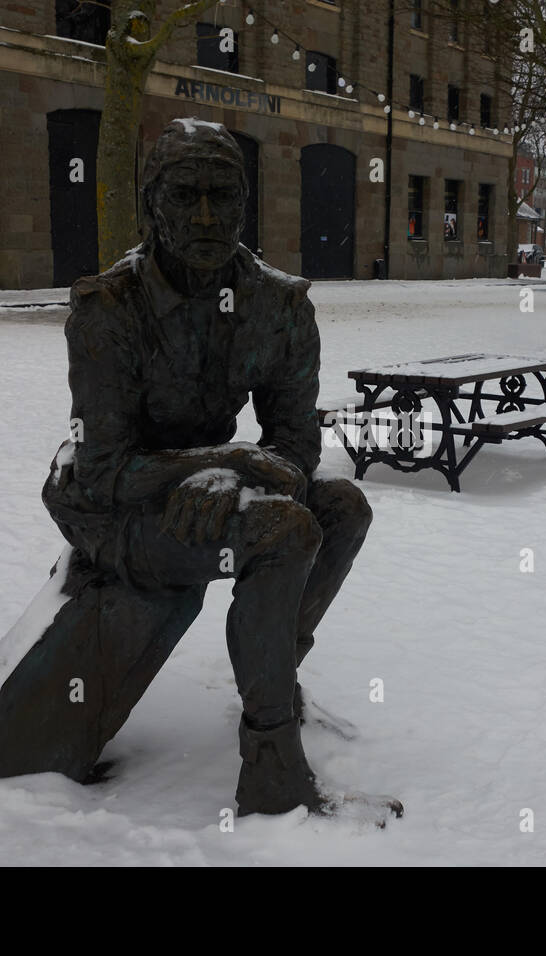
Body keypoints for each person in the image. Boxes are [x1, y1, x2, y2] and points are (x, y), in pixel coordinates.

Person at [42, 119, 395, 819]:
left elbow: (295, 442)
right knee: (282, 533)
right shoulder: (108, 310)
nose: (206, 217)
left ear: (245, 205)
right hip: (112, 506)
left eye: (224, 198)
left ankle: (275, 668)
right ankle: (271, 768)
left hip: (208, 496)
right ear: (152, 206)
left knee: (343, 508)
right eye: (186, 196)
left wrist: (242, 478)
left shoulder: (279, 305)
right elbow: (104, 467)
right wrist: (222, 464)